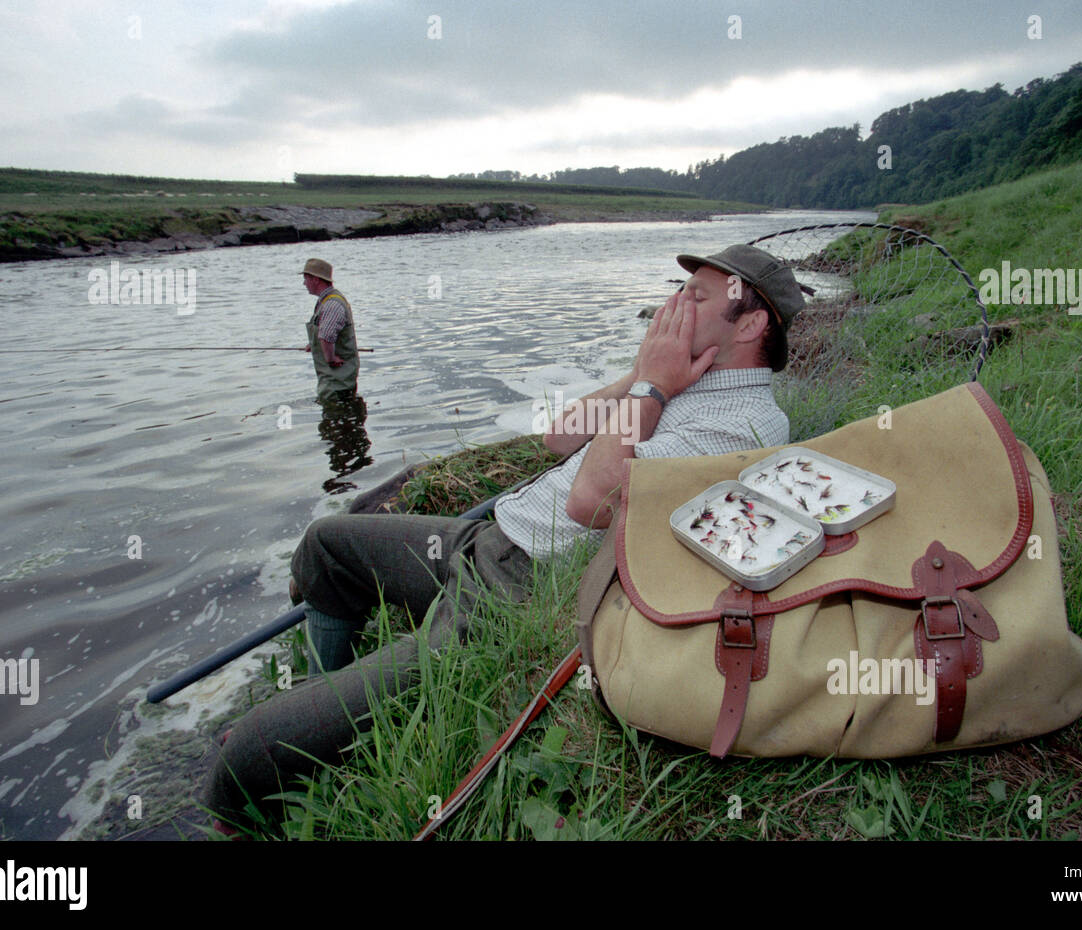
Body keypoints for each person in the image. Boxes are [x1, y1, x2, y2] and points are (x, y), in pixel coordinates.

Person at [202, 244, 807, 830]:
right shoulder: (683, 381)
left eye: (695, 296)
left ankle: (280, 764)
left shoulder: (743, 426)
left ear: (751, 321)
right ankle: (317, 692)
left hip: (512, 586)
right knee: (324, 544)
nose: (672, 307)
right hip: (487, 538)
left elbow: (589, 502)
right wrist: (643, 375)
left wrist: (653, 385)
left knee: (246, 756)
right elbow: (559, 437)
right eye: (678, 289)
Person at [300, 258, 360, 400]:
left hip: (337, 384)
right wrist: (314, 345)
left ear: (315, 279)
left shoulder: (331, 304)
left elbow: (326, 337)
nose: (304, 283)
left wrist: (331, 359)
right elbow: (328, 334)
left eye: (306, 279)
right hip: (335, 382)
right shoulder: (327, 300)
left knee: (334, 414)